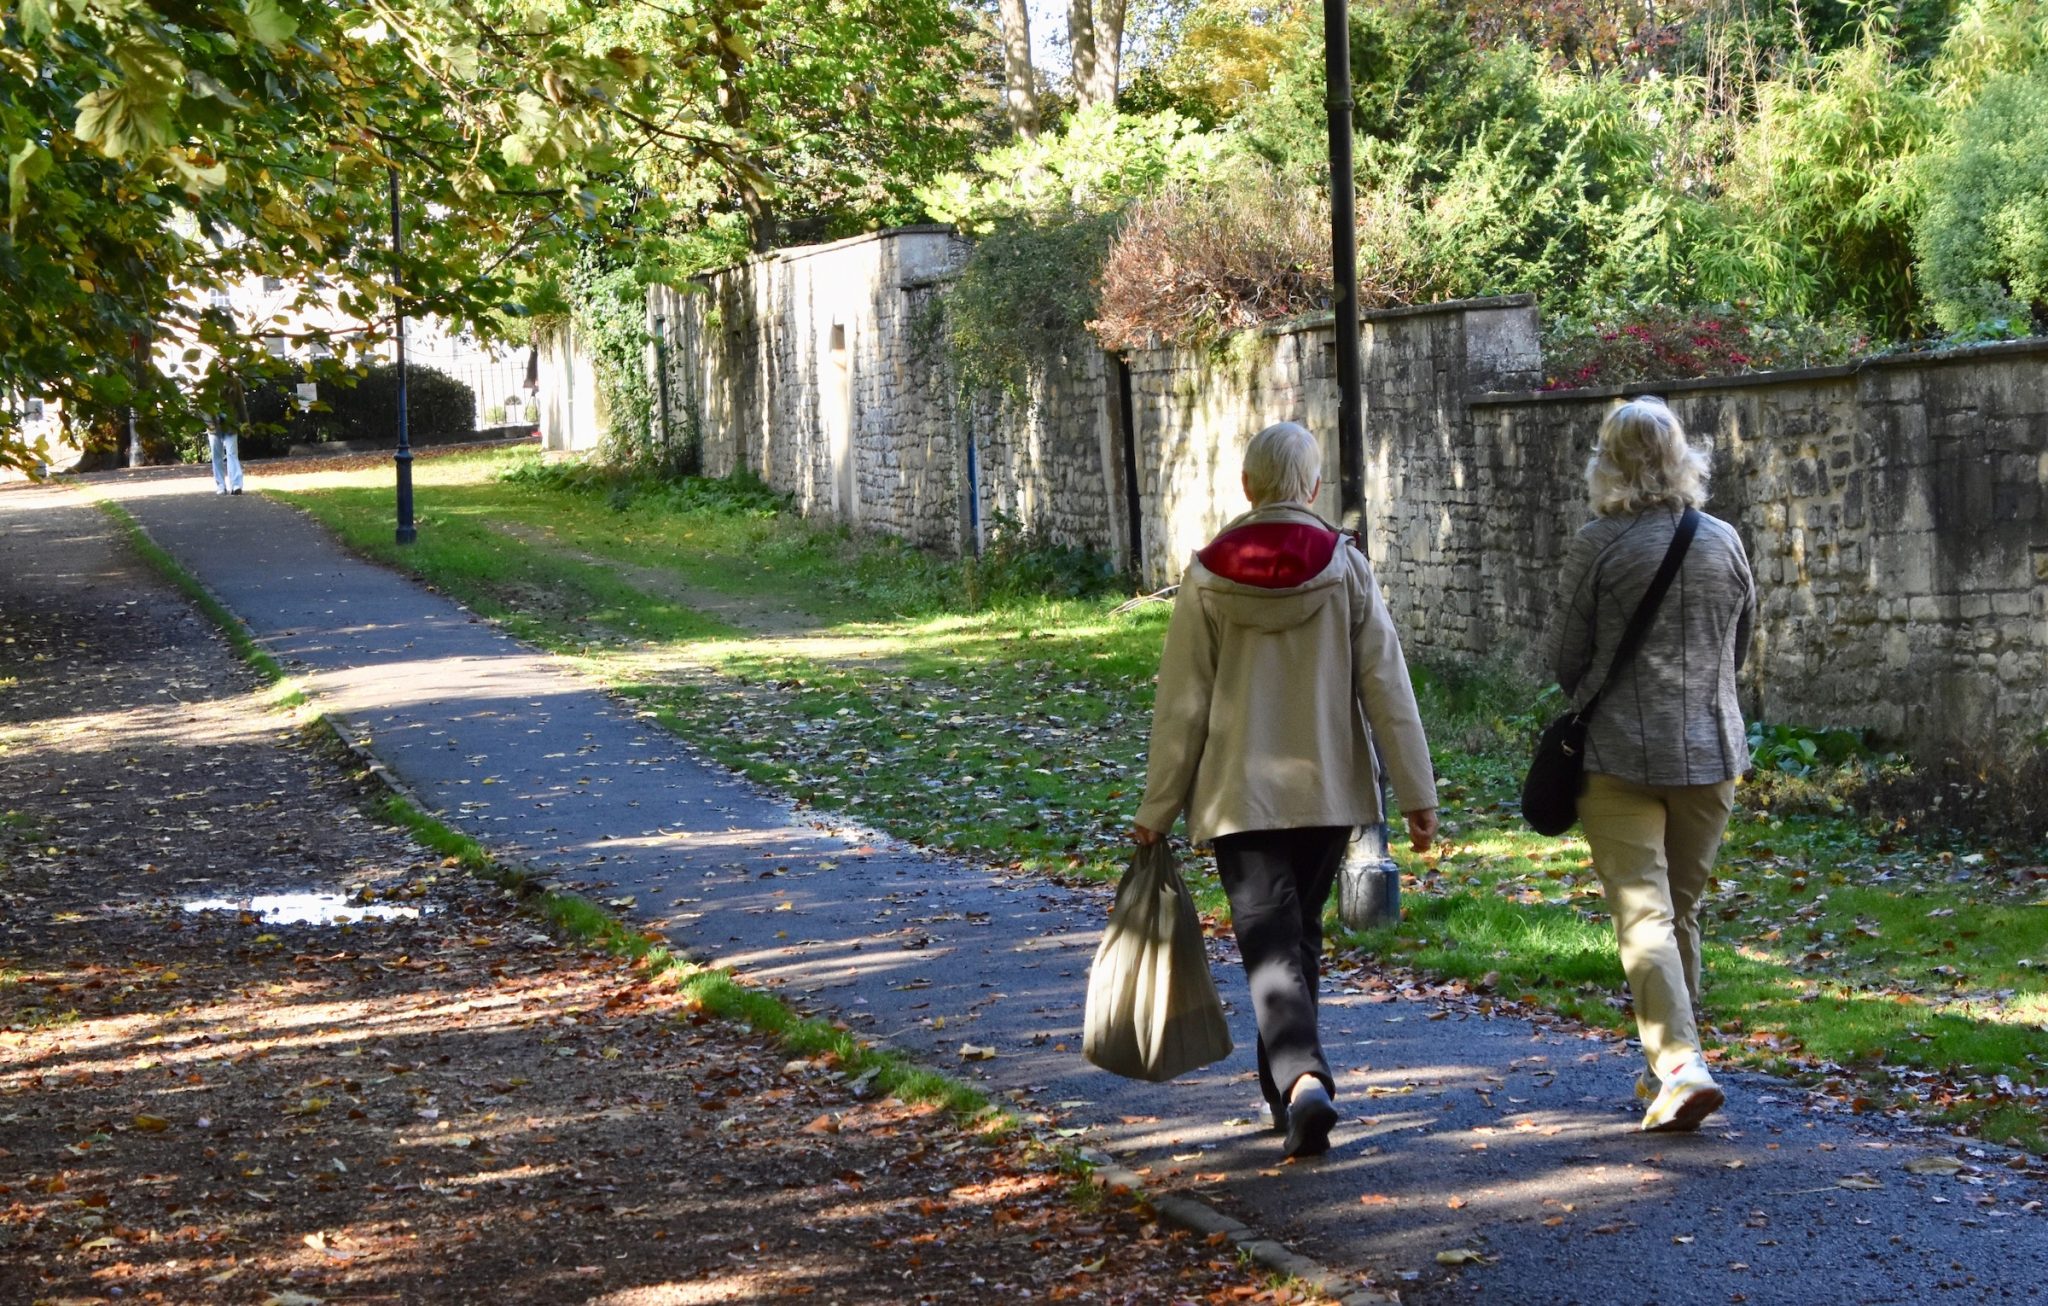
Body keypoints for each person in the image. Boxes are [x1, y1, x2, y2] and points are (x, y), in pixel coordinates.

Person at [1133, 421, 1439, 1160]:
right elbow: (1386, 685)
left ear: (1248, 487)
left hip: (1241, 795)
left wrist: (1157, 809)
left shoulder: (1208, 574)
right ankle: (1291, 1100)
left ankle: (1301, 1082)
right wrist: (1416, 792)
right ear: (1311, 488)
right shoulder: (1346, 567)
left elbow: (1183, 706)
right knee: (1295, 936)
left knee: (1271, 942)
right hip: (1329, 791)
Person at [1543, 396, 1756, 1133]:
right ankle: (1671, 1067)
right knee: (1679, 912)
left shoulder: (1598, 544)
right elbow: (1740, 646)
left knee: (1645, 913)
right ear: (1680, 456)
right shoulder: (1724, 540)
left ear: (1608, 461)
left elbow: (1564, 661)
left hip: (1620, 758)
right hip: (1712, 753)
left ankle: (1678, 1065)